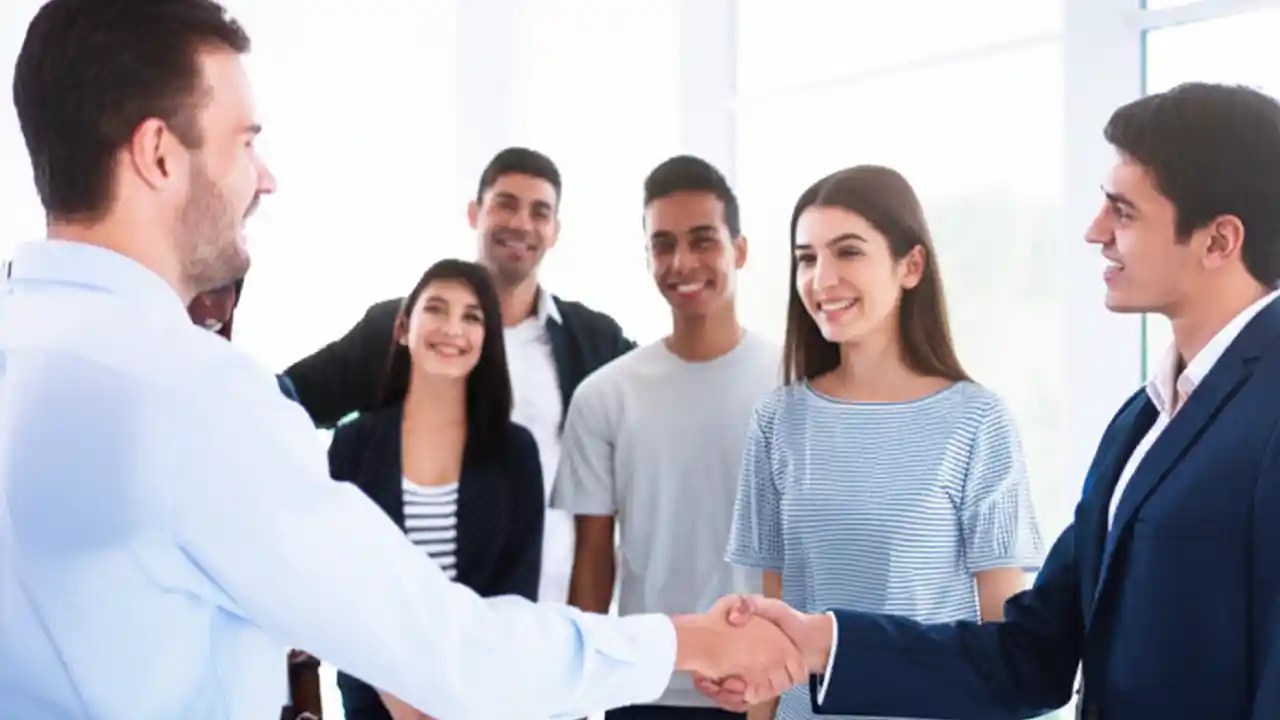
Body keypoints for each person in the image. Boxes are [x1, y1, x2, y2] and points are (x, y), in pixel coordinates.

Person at [0, 2, 807, 718]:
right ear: (158, 154)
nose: (265, 177)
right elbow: (453, 656)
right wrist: (687, 643)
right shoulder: (193, 397)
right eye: (245, 141)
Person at [701, 82, 1280, 720]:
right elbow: (1030, 656)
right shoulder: (1142, 421)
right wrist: (824, 645)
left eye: (1124, 211)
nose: (1094, 232)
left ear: (1219, 240)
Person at [722, 165, 1044, 720]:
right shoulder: (778, 421)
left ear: (910, 266)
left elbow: (1003, 641)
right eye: (806, 258)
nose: (821, 280)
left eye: (848, 252)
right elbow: (769, 627)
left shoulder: (977, 421)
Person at [285, 147, 631, 605]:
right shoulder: (399, 329)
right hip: (401, 624)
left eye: (539, 212)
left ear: (555, 230)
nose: (521, 224)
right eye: (506, 203)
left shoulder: (592, 340)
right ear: (475, 213)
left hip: (546, 618)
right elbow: (286, 402)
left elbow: (657, 406)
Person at [553, 156, 781, 720]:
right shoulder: (606, 395)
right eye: (663, 245)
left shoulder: (794, 384)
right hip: (643, 688)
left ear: (740, 250)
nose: (682, 262)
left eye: (703, 241)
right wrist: (578, 700)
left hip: (768, 685)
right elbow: (592, 563)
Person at [328, 258, 545, 720]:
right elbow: (347, 591)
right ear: (404, 328)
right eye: (437, 310)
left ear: (487, 341)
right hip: (376, 701)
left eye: (472, 316)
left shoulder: (516, 453)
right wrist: (409, 710)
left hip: (485, 703)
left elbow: (515, 603)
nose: (453, 328)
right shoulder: (353, 445)